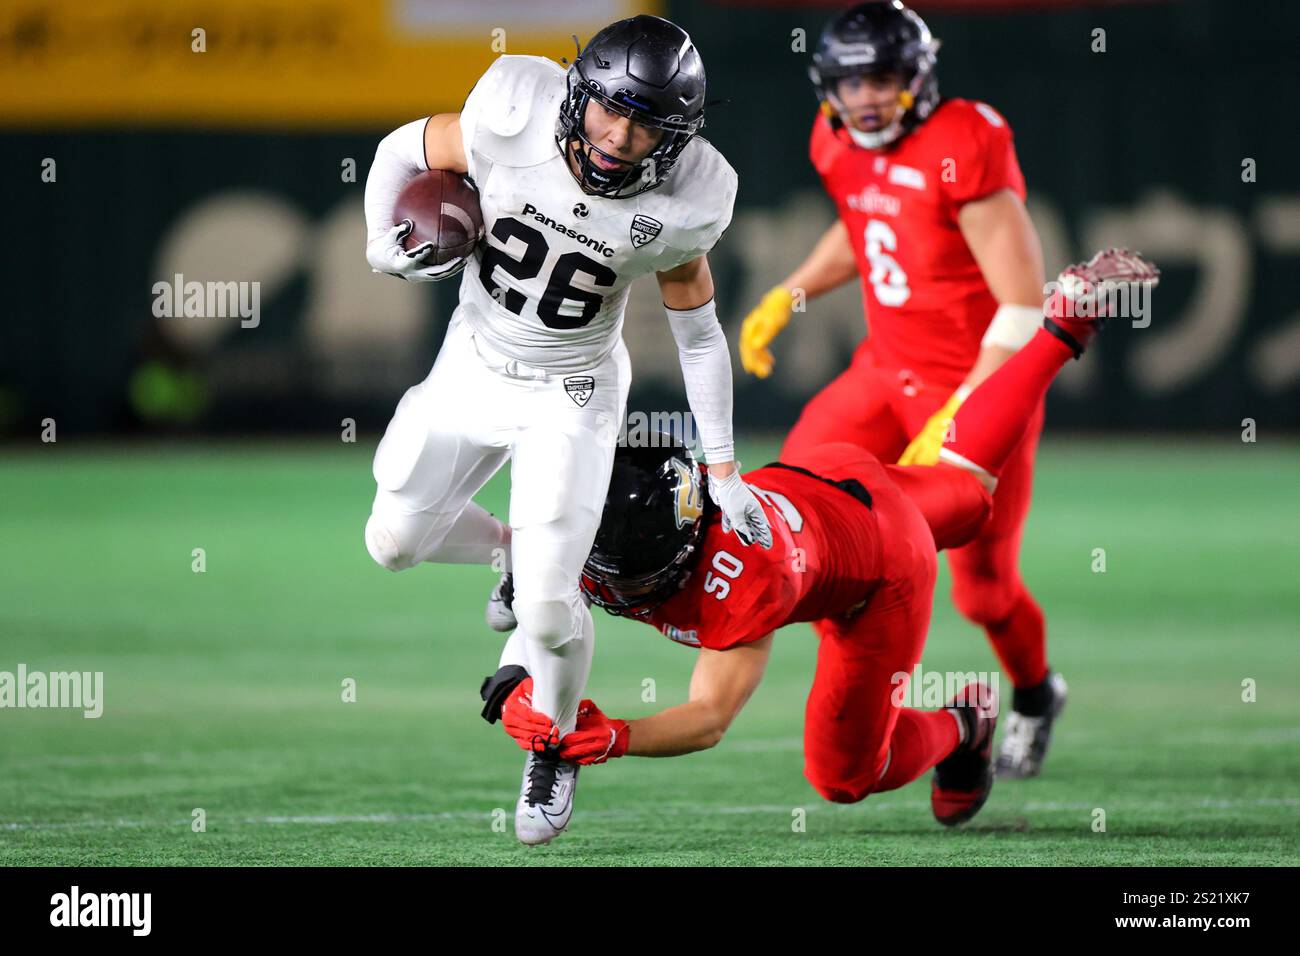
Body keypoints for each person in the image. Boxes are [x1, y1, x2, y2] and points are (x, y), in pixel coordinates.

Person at [491, 250, 1157, 825]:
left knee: (845, 777)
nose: (597, 580)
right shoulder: (646, 517)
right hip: (827, 474)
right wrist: (515, 675)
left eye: (613, 570)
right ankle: (1061, 327)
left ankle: (965, 723)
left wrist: (619, 736)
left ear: (677, 560)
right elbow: (540, 589)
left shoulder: (747, 580)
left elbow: (710, 715)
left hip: (880, 567)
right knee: (964, 490)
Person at [361, 15, 771, 845]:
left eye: (646, 122)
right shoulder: (510, 110)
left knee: (550, 610)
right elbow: (402, 148)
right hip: (475, 357)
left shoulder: (690, 199)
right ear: (577, 93)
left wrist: (723, 469)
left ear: (677, 134)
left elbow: (698, 331)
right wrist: (382, 246)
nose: (619, 137)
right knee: (392, 541)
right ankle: (510, 548)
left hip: (573, 386)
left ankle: (551, 746)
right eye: (608, 110)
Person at [737, 1, 1063, 777]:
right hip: (885, 374)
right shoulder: (837, 140)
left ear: (914, 77)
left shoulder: (965, 140)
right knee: (799, 524)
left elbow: (1024, 303)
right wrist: (792, 292)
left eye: (881, 79)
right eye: (851, 83)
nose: (866, 99)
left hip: (980, 387)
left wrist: (963, 408)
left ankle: (1035, 693)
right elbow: (865, 221)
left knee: (982, 593)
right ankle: (892, 706)